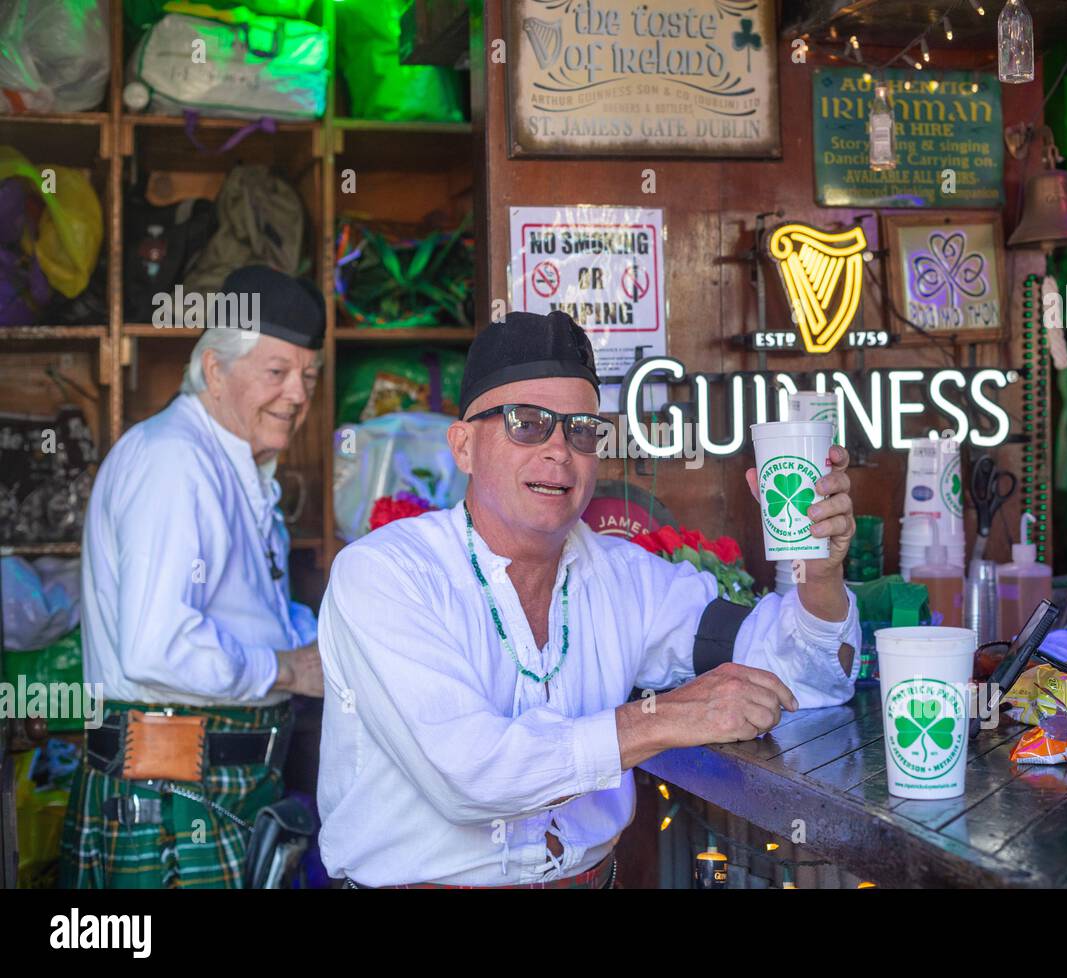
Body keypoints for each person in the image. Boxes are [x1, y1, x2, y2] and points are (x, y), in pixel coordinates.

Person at [317, 310, 861, 889]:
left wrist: (819, 574)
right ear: (465, 445)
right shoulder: (386, 574)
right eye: (527, 422)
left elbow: (807, 680)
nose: (559, 450)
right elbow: (468, 777)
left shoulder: (626, 577)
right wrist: (667, 717)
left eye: (581, 429)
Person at [61, 266, 326, 889]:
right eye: (277, 372)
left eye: (308, 376)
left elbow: (254, 612)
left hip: (220, 792)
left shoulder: (240, 468)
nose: (297, 394)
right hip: (170, 800)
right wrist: (289, 669)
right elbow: (159, 646)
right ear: (214, 369)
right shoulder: (174, 461)